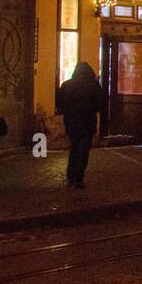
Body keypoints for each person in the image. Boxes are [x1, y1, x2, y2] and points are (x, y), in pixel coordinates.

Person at [55, 62, 105, 190]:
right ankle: (78, 178)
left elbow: (59, 103)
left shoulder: (66, 85)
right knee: (83, 151)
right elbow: (100, 104)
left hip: (71, 122)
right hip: (87, 122)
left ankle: (71, 175)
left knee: (74, 148)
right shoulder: (93, 86)